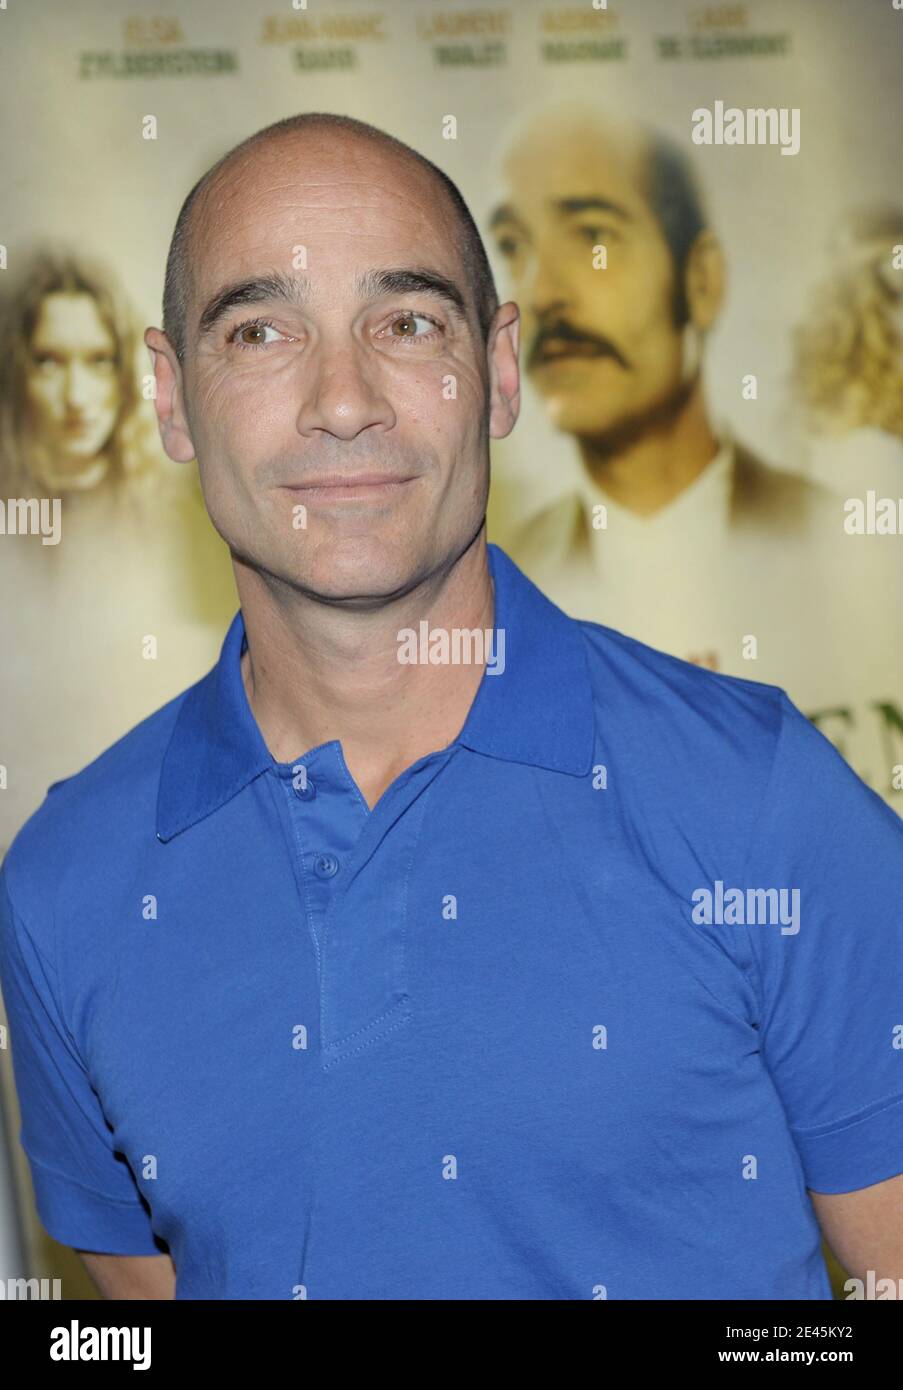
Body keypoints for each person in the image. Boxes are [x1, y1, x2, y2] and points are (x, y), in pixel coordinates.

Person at [1, 112, 901, 1302]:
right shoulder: (67, 883)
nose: (342, 400)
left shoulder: (764, 798)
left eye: (407, 321)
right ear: (170, 397)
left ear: (500, 370)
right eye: (261, 330)